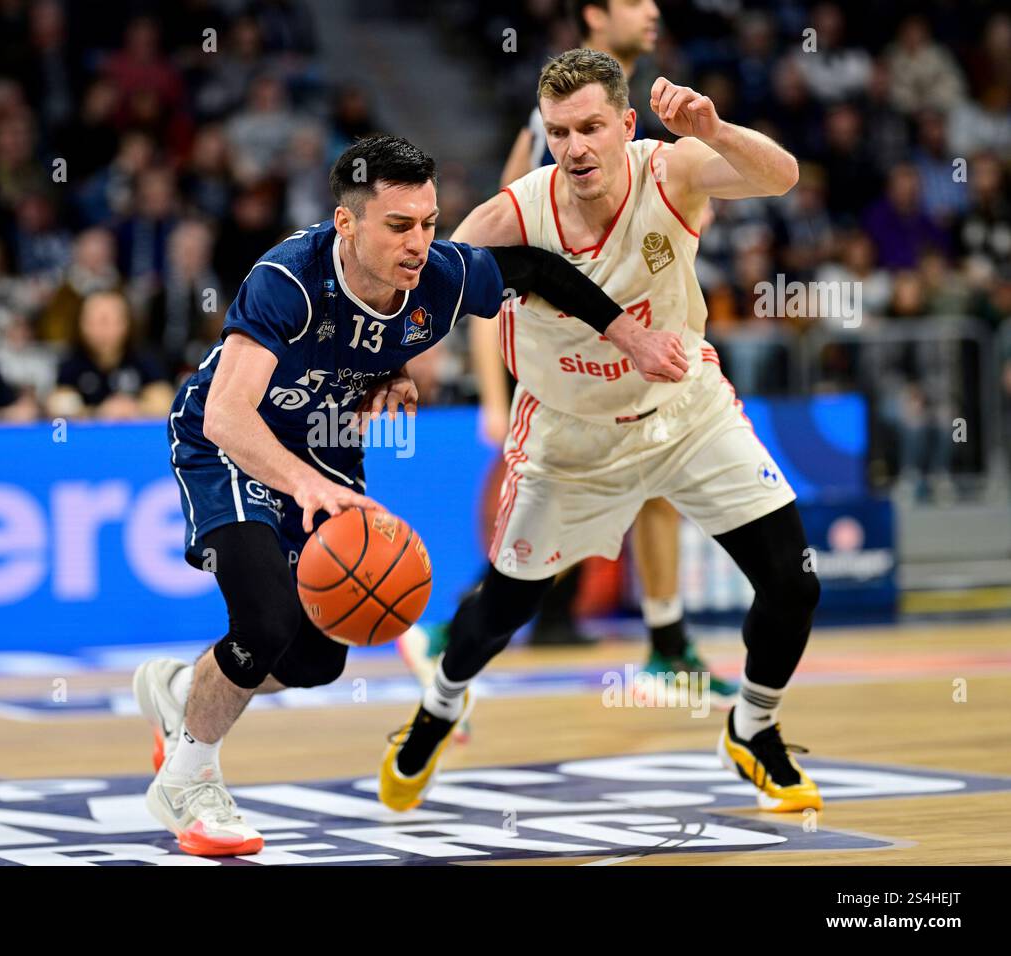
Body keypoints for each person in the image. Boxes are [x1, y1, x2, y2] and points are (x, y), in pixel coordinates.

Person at [133, 133, 678, 856]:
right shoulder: (288, 279)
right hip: (230, 443)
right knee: (263, 621)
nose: (419, 243)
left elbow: (537, 268)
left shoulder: (439, 277)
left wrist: (631, 337)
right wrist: (306, 484)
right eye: (398, 226)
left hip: (326, 441)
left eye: (428, 223)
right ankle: (189, 780)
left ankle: (182, 691)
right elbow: (227, 415)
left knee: (317, 659)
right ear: (346, 223)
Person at [379, 50, 821, 816]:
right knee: (501, 611)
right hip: (569, 437)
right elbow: (429, 287)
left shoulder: (672, 170)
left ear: (625, 123)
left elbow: (781, 176)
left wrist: (715, 128)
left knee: (795, 582)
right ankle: (441, 706)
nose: (574, 147)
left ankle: (752, 727)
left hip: (685, 413)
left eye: (590, 128)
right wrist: (392, 361)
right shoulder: (516, 213)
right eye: (558, 133)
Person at [411, 0, 731, 713]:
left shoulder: (631, 98)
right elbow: (497, 260)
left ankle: (667, 644)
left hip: (624, 344)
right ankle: (448, 635)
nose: (652, 10)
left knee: (654, 485)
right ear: (594, 14)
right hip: (564, 353)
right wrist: (494, 391)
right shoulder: (555, 120)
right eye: (633, 2)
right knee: (552, 535)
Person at [49, 290, 172, 420]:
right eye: (93, 321)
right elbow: (58, 406)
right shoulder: (71, 364)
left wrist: (135, 409)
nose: (102, 330)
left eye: (108, 321)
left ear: (126, 323)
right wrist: (99, 412)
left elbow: (166, 402)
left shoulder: (145, 359)